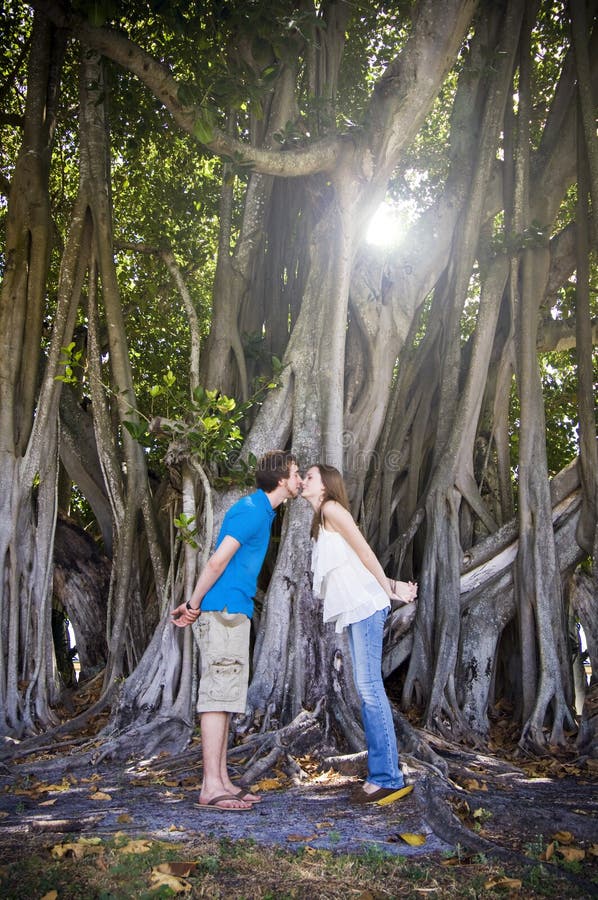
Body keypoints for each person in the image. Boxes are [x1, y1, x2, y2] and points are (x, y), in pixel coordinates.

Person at [172, 450, 301, 812]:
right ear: (281, 479)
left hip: (233, 610)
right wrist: (193, 605)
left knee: (226, 696)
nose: (299, 479)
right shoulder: (251, 510)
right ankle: (210, 786)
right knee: (217, 696)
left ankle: (223, 779)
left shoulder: (263, 511)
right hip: (223, 610)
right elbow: (217, 560)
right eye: (295, 473)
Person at [301, 463, 417, 805]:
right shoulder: (321, 518)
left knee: (369, 689)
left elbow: (364, 549)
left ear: (325, 486)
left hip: (367, 608)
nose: (304, 481)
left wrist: (389, 590)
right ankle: (383, 773)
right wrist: (393, 585)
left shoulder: (333, 509)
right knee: (366, 689)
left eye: (310, 476)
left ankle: (388, 777)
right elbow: (355, 561)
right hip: (359, 610)